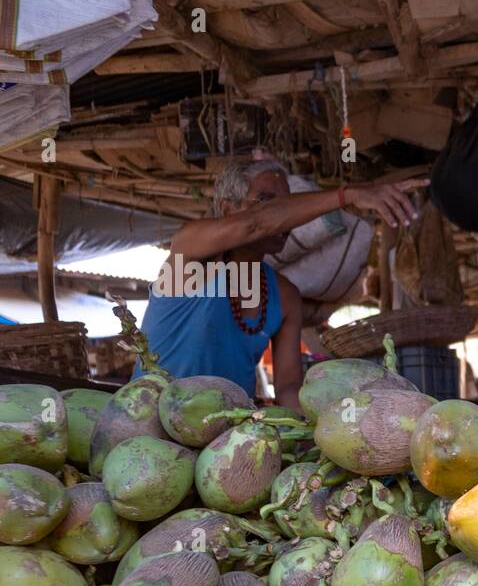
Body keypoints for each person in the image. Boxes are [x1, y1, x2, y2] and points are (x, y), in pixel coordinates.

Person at [140, 158, 426, 411]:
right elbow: (256, 224)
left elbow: (288, 387)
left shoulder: (285, 295)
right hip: (148, 424)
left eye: (287, 205)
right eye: (266, 201)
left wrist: (311, 427)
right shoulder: (190, 254)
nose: (283, 218)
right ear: (229, 209)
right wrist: (348, 195)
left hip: (222, 441)